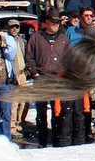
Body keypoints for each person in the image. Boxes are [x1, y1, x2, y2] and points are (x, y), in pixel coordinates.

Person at [25, 9, 71, 147]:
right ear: (47, 22)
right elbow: (29, 57)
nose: (55, 24)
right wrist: (35, 73)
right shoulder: (37, 38)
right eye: (52, 21)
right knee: (41, 112)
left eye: (57, 22)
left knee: (57, 111)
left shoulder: (63, 38)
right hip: (41, 78)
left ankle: (56, 140)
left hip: (58, 79)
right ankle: (42, 141)